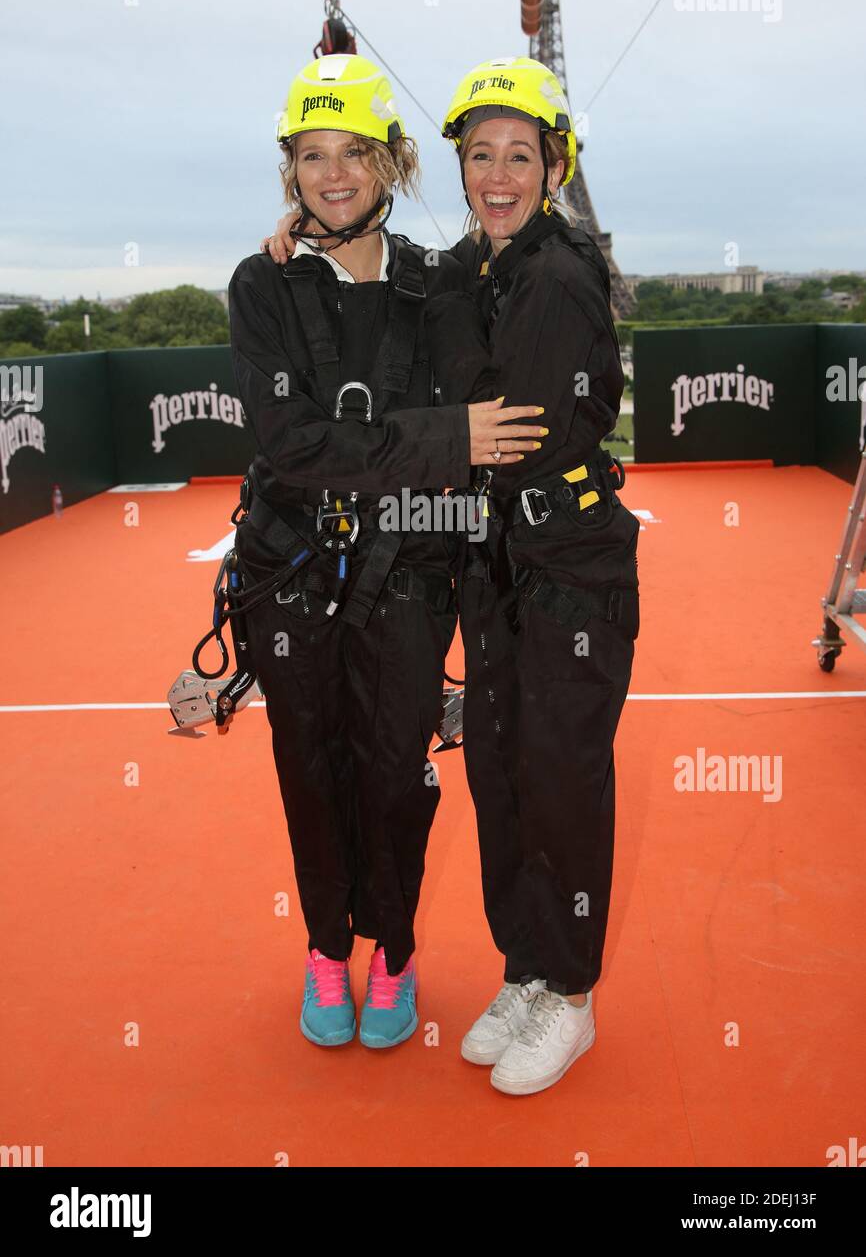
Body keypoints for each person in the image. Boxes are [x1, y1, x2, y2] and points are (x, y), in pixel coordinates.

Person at [228, 53, 544, 1052]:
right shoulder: (262, 284)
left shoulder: (435, 282)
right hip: (290, 574)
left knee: (392, 772)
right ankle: (327, 948)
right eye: (311, 156)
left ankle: (394, 952)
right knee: (308, 768)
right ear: (290, 170)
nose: (331, 175)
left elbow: (513, 317)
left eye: (353, 153)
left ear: (392, 160)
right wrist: (444, 437)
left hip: (409, 576)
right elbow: (294, 446)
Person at [440, 56, 641, 1096]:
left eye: (519, 154)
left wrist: (426, 431)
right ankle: (525, 966)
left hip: (565, 569)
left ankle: (569, 994)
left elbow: (501, 436)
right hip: (506, 564)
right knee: (503, 777)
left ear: (552, 165)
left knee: (558, 785)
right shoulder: (489, 263)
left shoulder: (552, 276)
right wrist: (310, 253)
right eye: (480, 154)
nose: (497, 172)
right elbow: (414, 295)